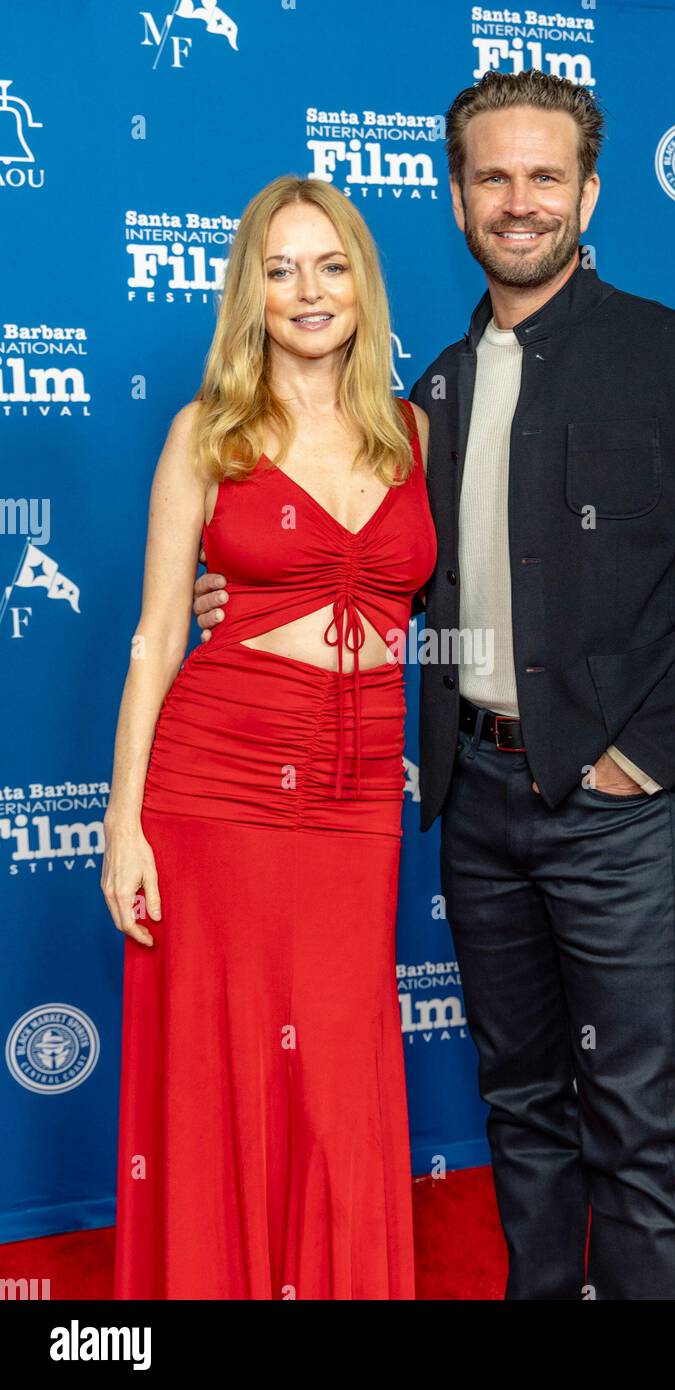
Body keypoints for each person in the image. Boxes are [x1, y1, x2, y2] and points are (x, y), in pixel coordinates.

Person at [194, 72, 675, 1300]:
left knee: (626, 1119)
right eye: (490, 178)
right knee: (517, 1101)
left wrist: (639, 756)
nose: (516, 203)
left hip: (620, 809)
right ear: (454, 194)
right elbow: (394, 582)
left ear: (589, 191)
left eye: (542, 177)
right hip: (472, 796)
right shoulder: (425, 393)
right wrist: (249, 601)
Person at [103, 174, 435, 1300]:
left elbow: (429, 608)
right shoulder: (209, 431)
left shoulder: (411, 432)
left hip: (350, 795)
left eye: (330, 265)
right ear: (249, 288)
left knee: (337, 1079)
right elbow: (155, 635)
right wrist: (120, 823)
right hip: (216, 783)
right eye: (281, 268)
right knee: (223, 1068)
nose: (308, 291)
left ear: (362, 283)